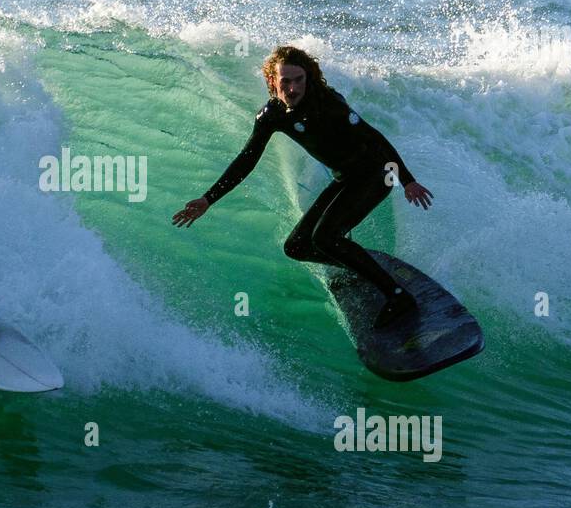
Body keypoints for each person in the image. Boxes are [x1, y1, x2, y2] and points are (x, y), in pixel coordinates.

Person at [172, 46, 432, 328]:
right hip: (345, 178)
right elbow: (246, 160)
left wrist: (407, 180)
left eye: (299, 80)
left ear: (309, 79)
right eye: (286, 81)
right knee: (297, 247)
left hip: (375, 174)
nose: (293, 88)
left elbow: (375, 138)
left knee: (325, 238)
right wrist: (208, 199)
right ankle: (357, 265)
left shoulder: (329, 103)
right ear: (272, 80)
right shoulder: (272, 115)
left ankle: (398, 296)